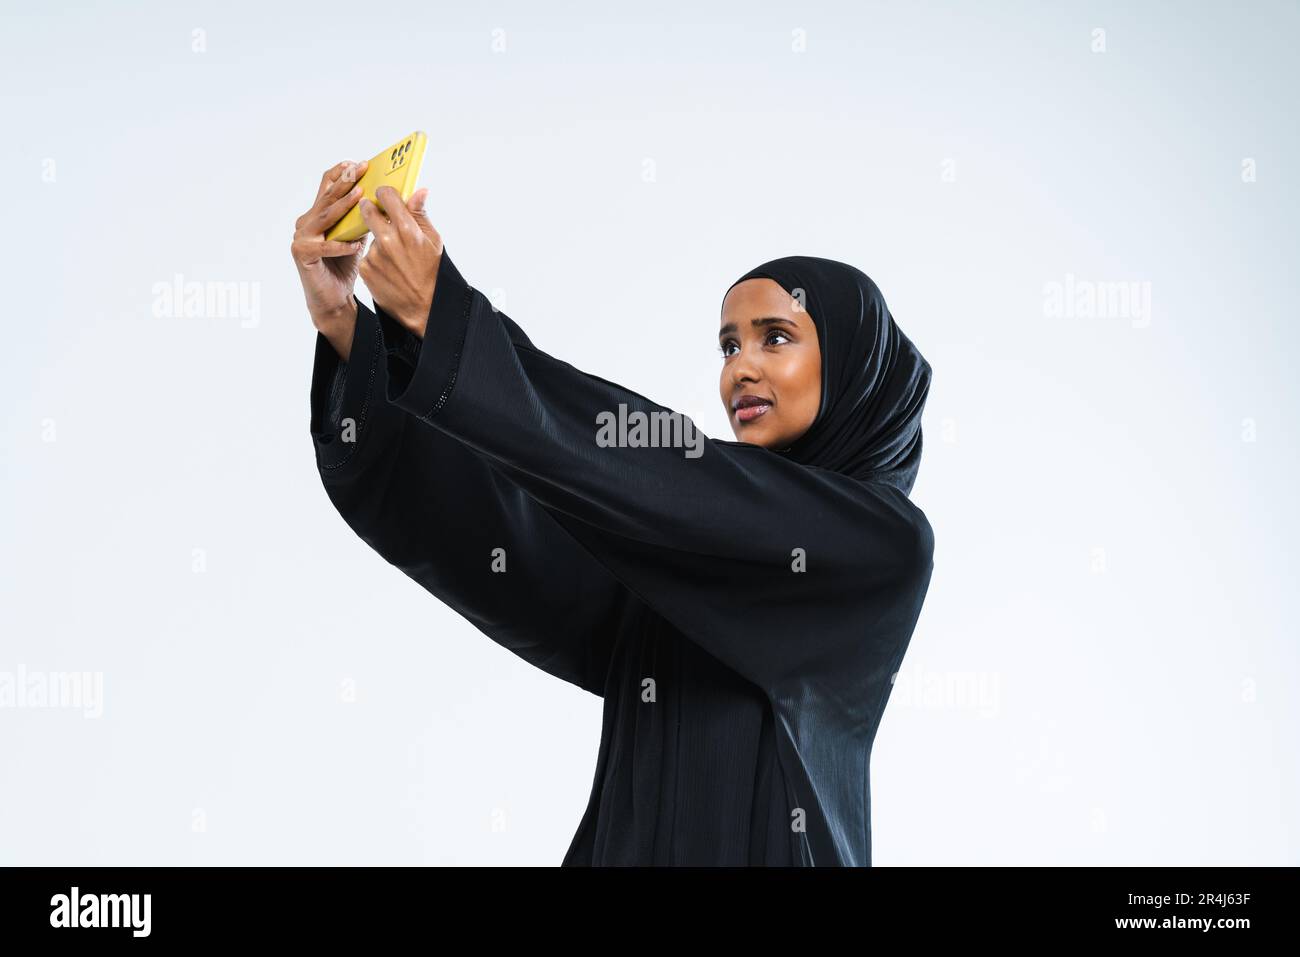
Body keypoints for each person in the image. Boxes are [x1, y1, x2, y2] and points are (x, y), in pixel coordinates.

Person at [292, 160, 936, 866]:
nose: (740, 369)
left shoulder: (880, 546)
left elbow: (658, 473)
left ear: (853, 363)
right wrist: (357, 335)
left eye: (775, 337)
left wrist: (444, 321)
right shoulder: (679, 544)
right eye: (728, 345)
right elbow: (501, 532)